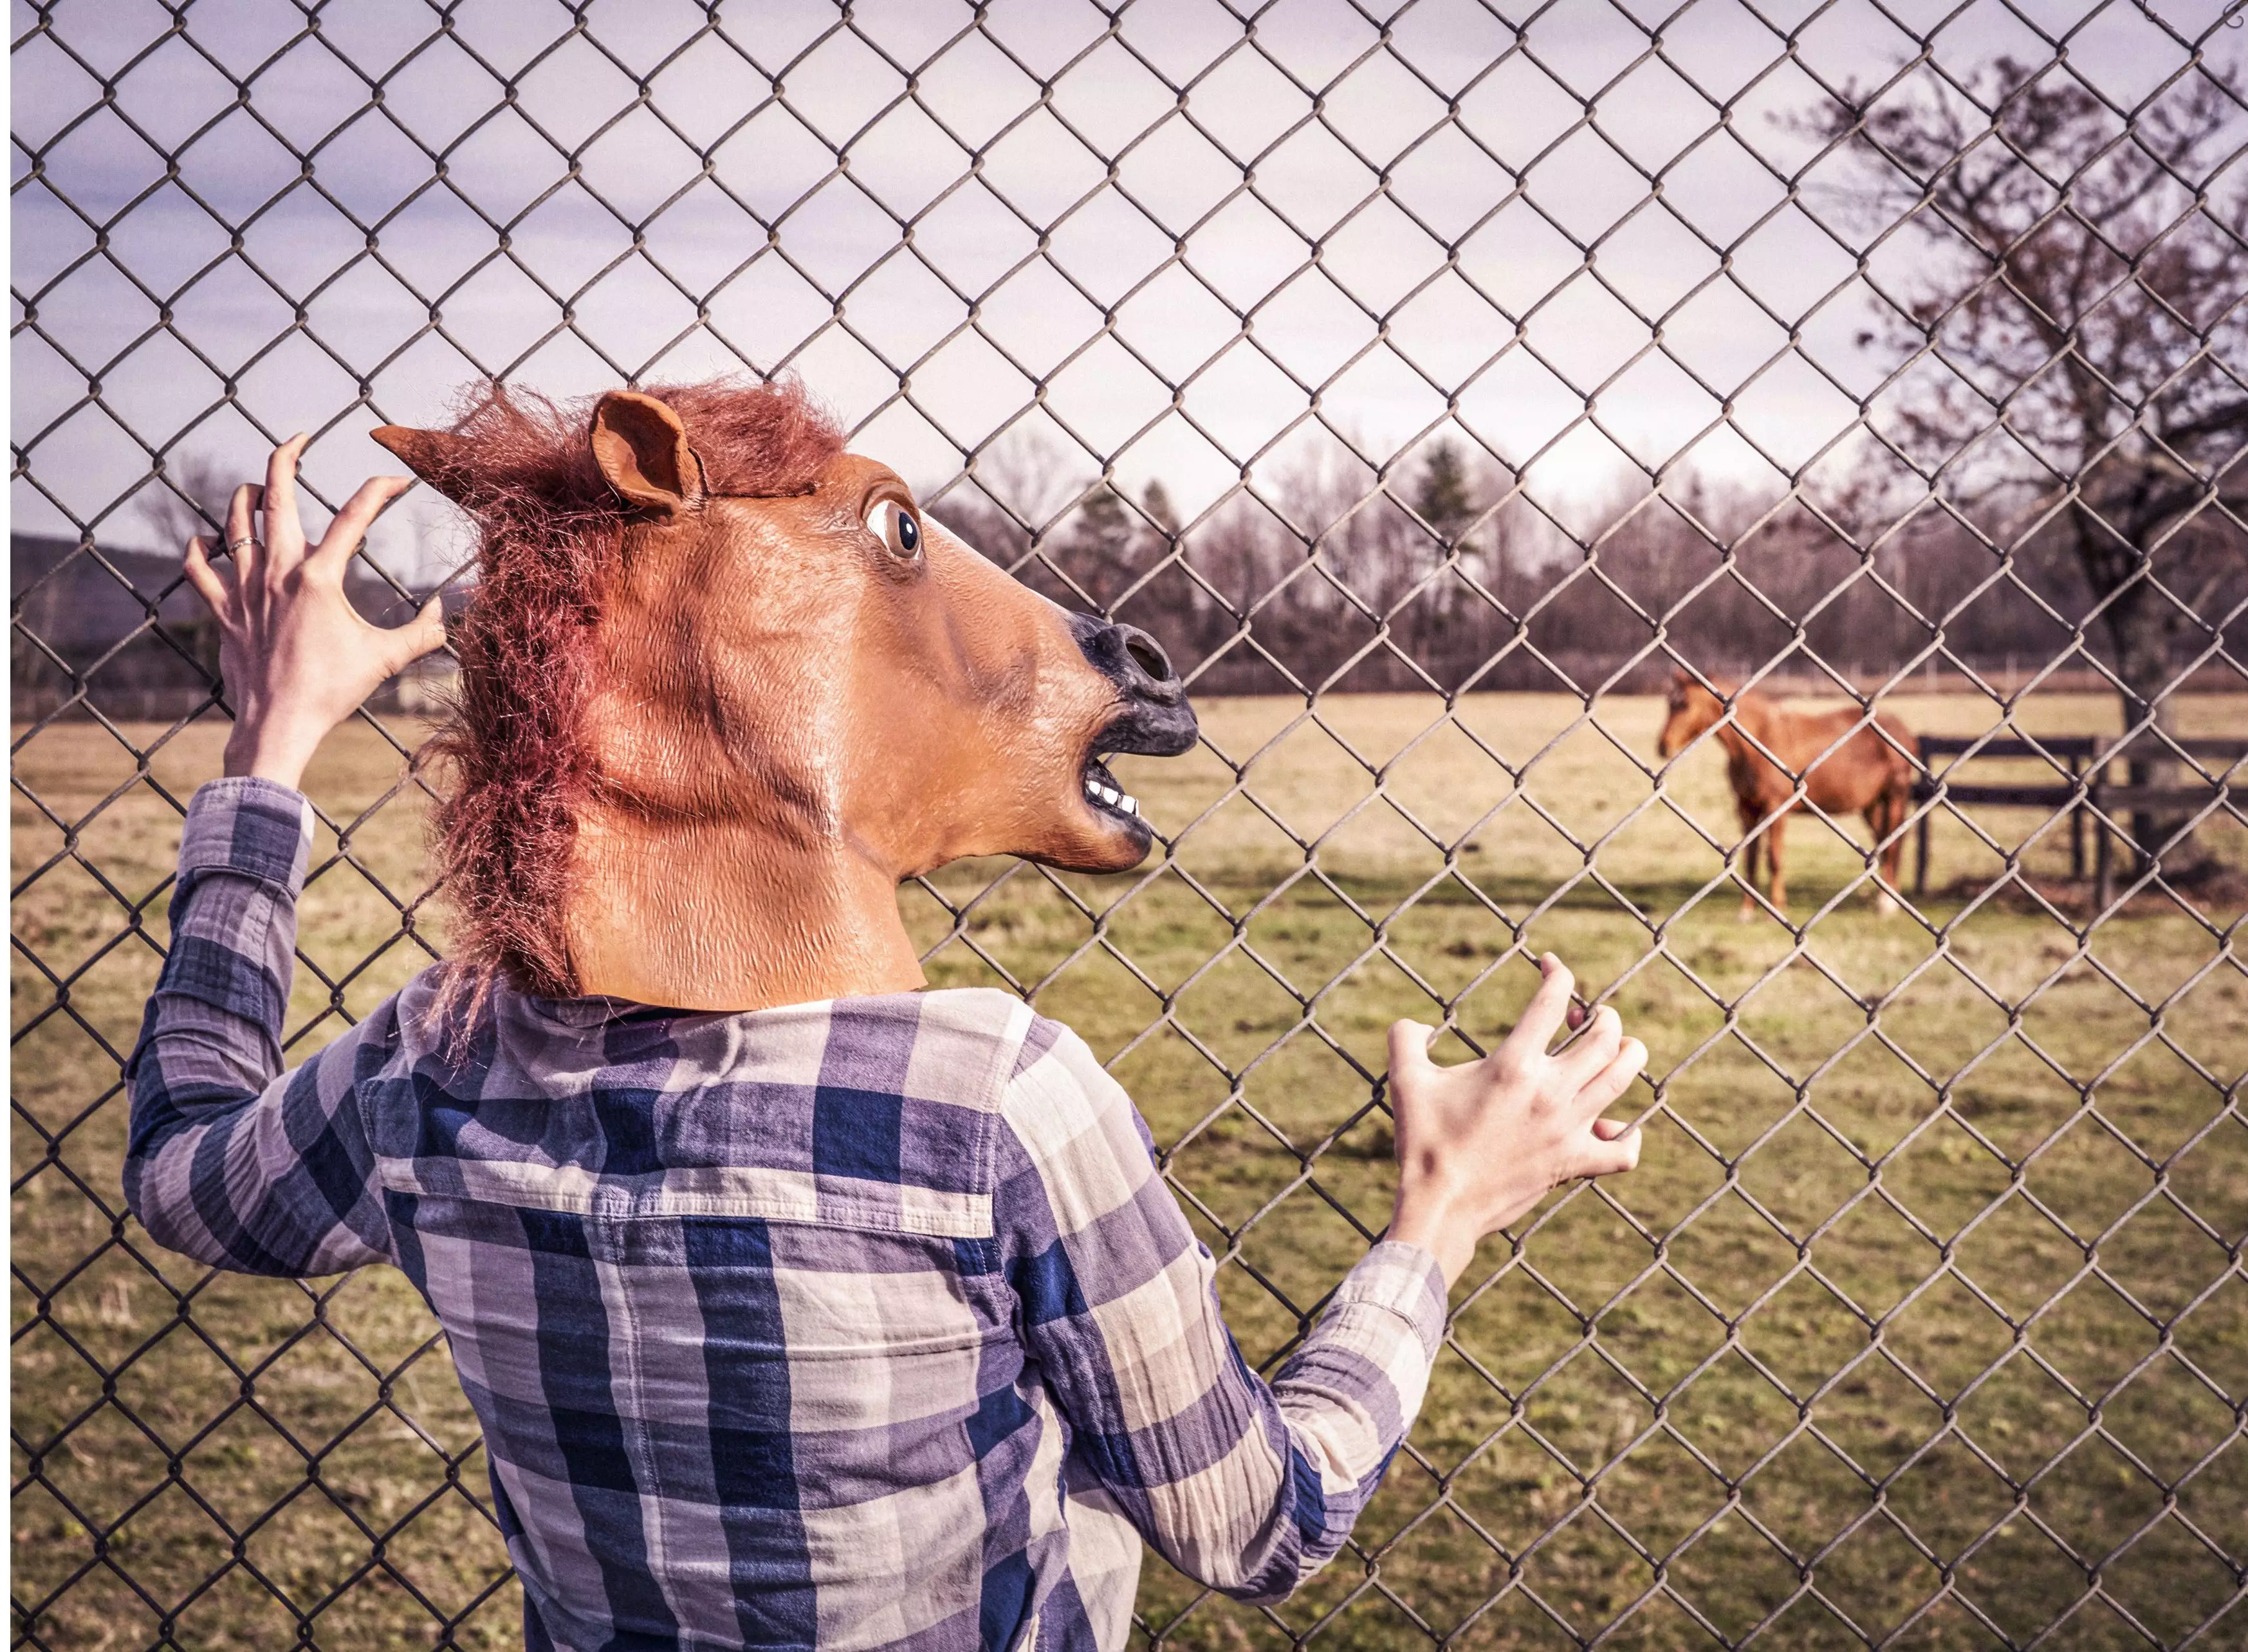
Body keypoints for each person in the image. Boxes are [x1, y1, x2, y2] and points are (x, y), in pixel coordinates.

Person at [128, 432, 1646, 1652]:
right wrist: (1438, 1219)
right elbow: (1258, 1528)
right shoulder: (990, 1104)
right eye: (897, 542)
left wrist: (268, 754)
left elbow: (188, 1172)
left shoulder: (436, 1065)